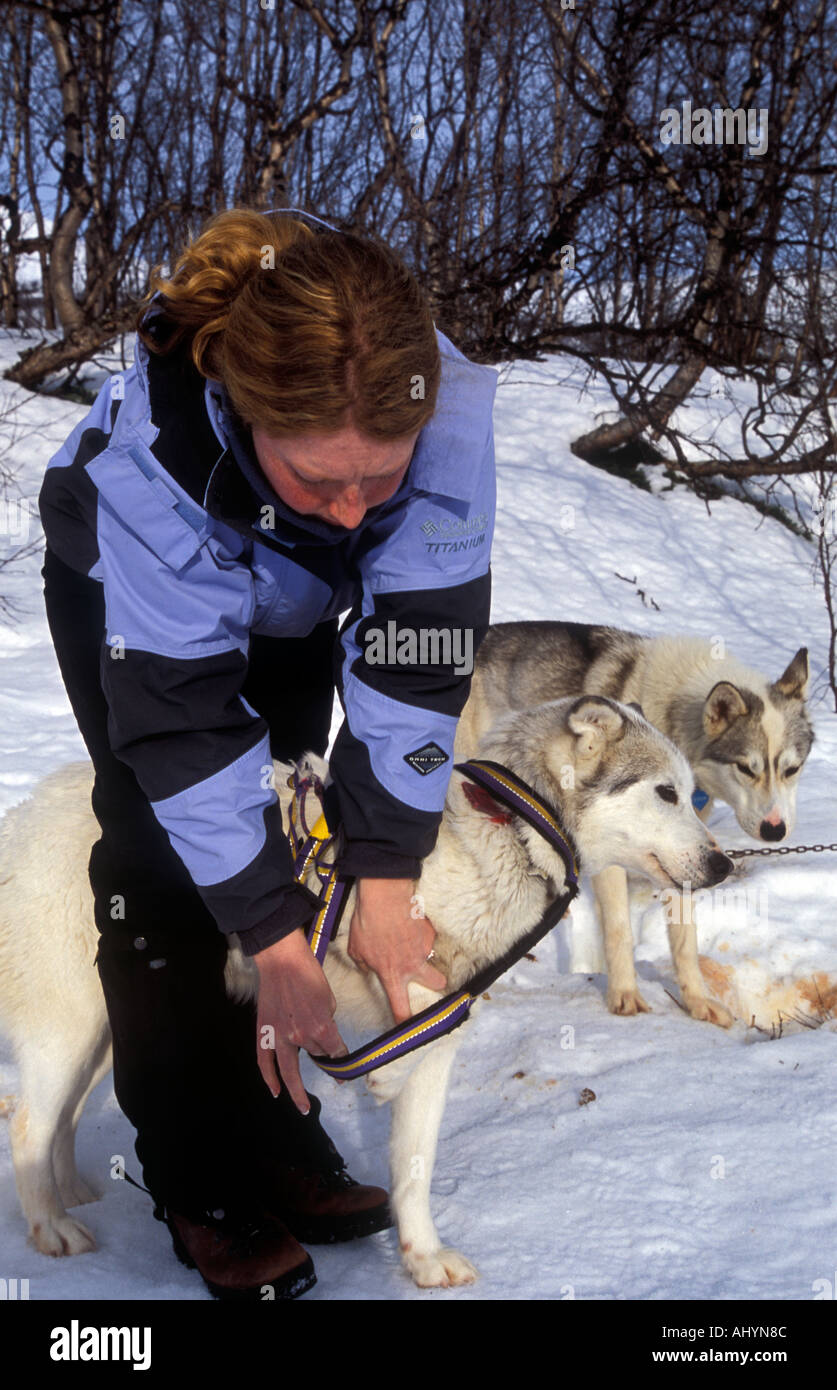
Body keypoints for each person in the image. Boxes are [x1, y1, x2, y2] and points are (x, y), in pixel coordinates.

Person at [37, 205, 497, 1300]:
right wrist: (273, 935)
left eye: (377, 481)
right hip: (125, 587)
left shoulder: (441, 418)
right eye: (318, 480)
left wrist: (385, 871)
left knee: (292, 817)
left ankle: (272, 1131)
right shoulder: (156, 466)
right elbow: (185, 727)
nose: (352, 511)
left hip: (288, 602)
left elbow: (415, 653)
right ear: (246, 417)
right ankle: (195, 1168)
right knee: (165, 852)